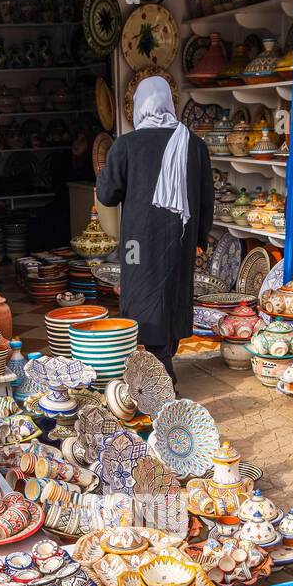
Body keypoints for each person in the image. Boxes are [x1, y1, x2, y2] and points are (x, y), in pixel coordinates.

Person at [96, 75, 213, 383]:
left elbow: (107, 194)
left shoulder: (126, 146)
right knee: (172, 292)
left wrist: (104, 171)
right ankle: (162, 361)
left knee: (144, 296)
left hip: (138, 242)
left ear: (139, 106)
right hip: (182, 237)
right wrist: (201, 239)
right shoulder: (193, 144)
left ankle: (161, 370)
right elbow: (206, 197)